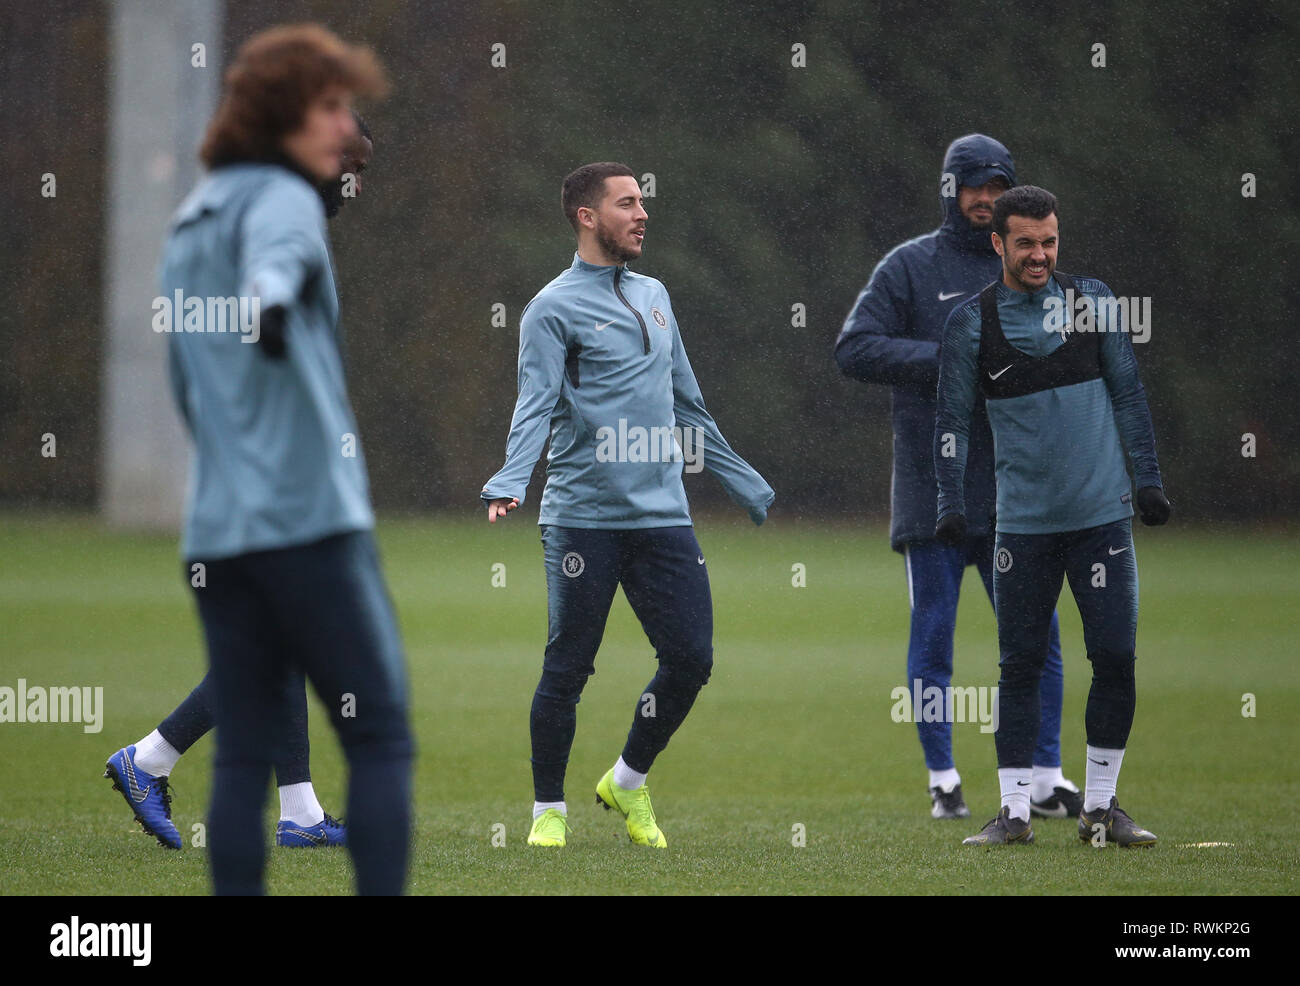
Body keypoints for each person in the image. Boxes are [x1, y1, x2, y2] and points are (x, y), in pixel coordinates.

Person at [158, 24, 412, 893]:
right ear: (281, 114)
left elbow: (186, 390)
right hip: (307, 523)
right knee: (377, 737)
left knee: (240, 759)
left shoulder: (190, 219)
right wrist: (266, 304)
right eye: (332, 105)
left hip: (219, 533)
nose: (346, 128)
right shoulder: (284, 198)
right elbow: (281, 259)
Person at [482, 162, 774, 849]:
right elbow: (535, 404)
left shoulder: (655, 294)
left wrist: (740, 479)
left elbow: (686, 403)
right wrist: (511, 477)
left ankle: (627, 781)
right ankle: (547, 812)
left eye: (642, 201)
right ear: (587, 216)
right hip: (583, 519)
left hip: (664, 516)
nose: (642, 213)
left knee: (691, 659)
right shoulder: (551, 309)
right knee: (569, 666)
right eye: (627, 202)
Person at [104, 116, 375, 852]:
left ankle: (298, 812)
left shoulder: (236, 209)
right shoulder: (280, 217)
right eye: (347, 161)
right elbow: (266, 299)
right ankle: (151, 758)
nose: (353, 180)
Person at [835, 135, 1080, 820]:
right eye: (973, 186)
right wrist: (947, 357)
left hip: (1017, 488)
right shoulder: (910, 267)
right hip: (932, 486)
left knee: (1036, 637)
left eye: (997, 185)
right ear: (950, 190)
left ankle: (1043, 777)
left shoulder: (1033, 271)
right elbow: (853, 347)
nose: (986, 198)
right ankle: (943, 780)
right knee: (934, 634)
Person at [933, 185, 1170, 847]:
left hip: (1101, 520)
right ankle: (1013, 816)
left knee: (1115, 657)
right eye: (1026, 243)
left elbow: (1128, 394)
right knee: (1021, 666)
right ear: (998, 244)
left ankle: (1100, 809)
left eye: (1049, 242)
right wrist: (951, 501)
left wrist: (1147, 480)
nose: (1040, 255)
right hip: (1024, 527)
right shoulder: (972, 323)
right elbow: (950, 424)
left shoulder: (1093, 301)